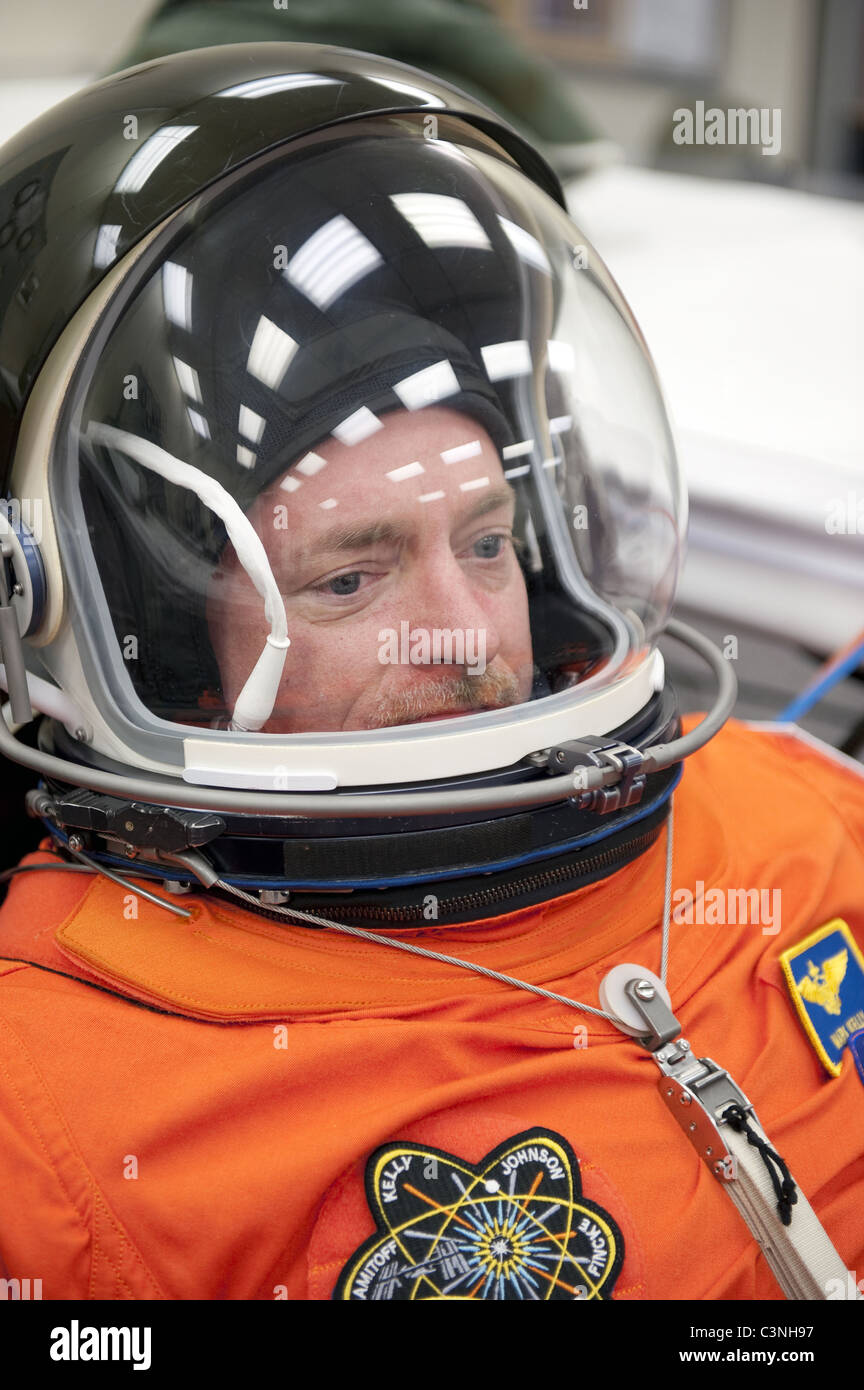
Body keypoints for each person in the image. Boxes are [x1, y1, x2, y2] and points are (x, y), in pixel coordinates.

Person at [0, 43, 862, 1304]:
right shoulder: (64, 1116)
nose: (465, 632)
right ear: (175, 647)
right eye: (352, 578)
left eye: (488, 541)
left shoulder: (813, 820)